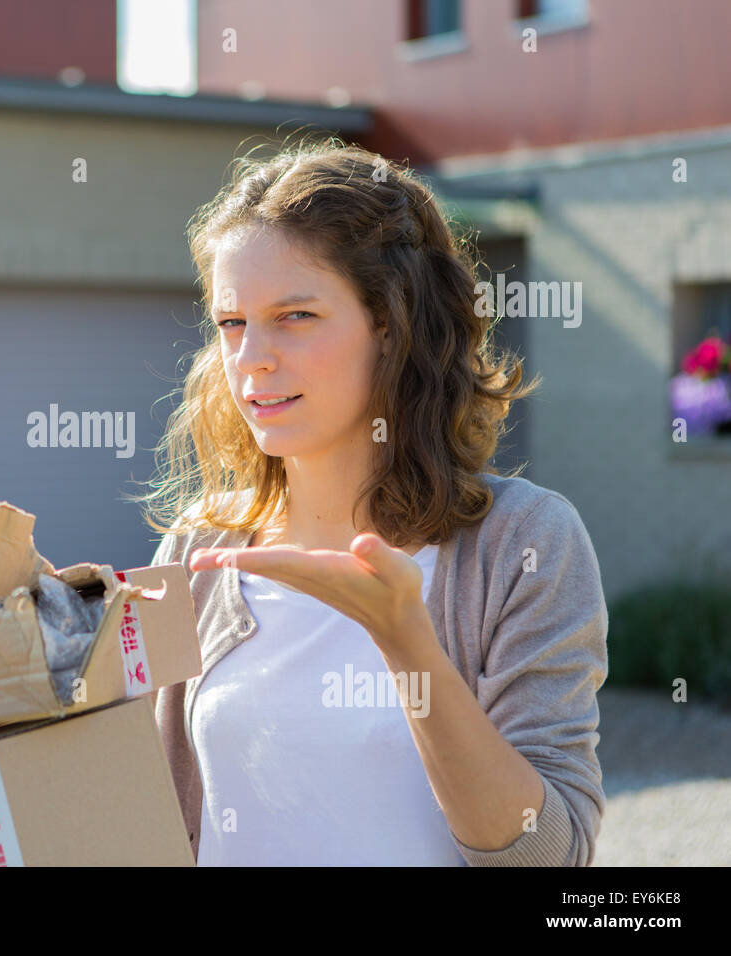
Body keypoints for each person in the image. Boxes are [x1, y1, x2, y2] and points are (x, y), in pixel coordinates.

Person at [142, 139, 608, 866]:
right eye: (232, 322)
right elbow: (136, 819)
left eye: (294, 315)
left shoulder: (525, 543)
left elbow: (547, 856)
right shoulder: (197, 550)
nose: (251, 357)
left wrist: (405, 643)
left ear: (390, 327)